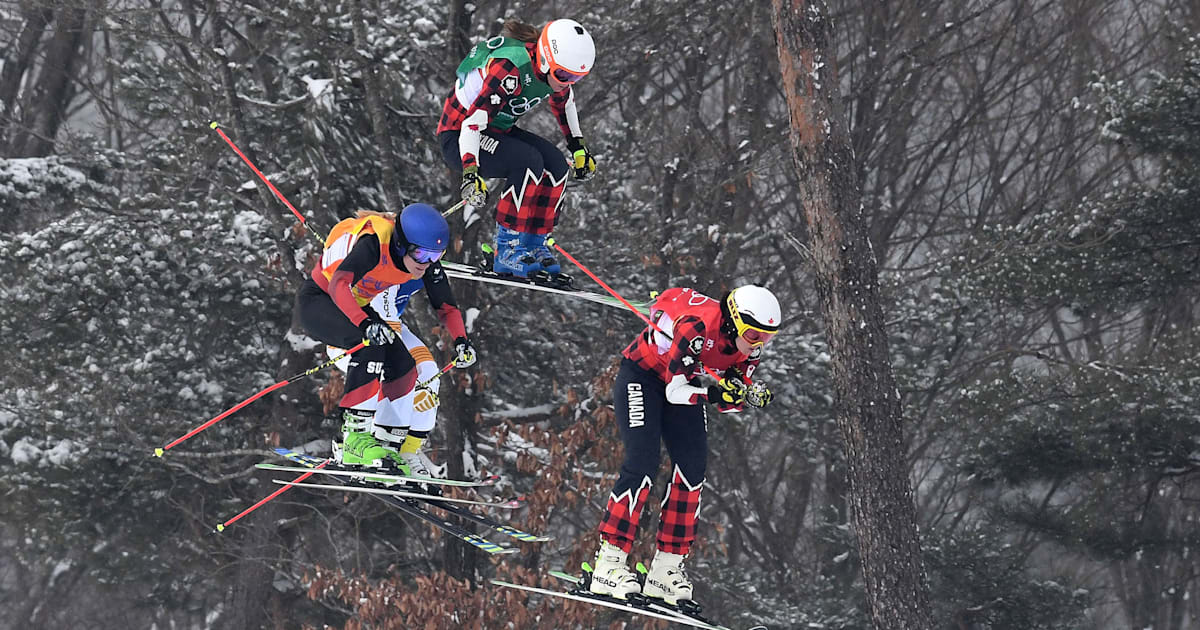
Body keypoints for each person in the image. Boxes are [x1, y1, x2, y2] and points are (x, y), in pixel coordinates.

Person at [588, 285, 780, 606]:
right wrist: (715, 393)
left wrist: (745, 394)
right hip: (643, 377)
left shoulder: (750, 348)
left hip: (684, 382)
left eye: (768, 337)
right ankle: (609, 562)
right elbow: (675, 392)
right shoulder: (696, 328)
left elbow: (729, 398)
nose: (758, 343)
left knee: (692, 469)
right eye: (753, 334)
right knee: (642, 463)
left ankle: (666, 569)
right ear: (734, 322)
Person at [294, 204, 477, 474]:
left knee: (403, 364)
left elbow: (446, 307)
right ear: (401, 244)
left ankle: (388, 445)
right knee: (370, 345)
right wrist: (365, 323)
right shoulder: (374, 243)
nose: (426, 263)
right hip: (320, 301)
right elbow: (338, 284)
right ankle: (354, 440)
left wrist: (461, 340)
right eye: (421, 253)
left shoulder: (426, 265)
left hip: (355, 307)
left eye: (435, 255)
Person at [436, 18, 598, 281]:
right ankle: (506, 248)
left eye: (577, 77)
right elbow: (472, 123)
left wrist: (578, 147)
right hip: (459, 135)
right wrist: (470, 171)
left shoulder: (553, 74)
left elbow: (565, 105)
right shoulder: (510, 69)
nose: (568, 82)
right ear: (544, 60)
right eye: (564, 75)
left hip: (495, 129)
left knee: (556, 165)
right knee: (527, 161)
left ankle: (533, 244)